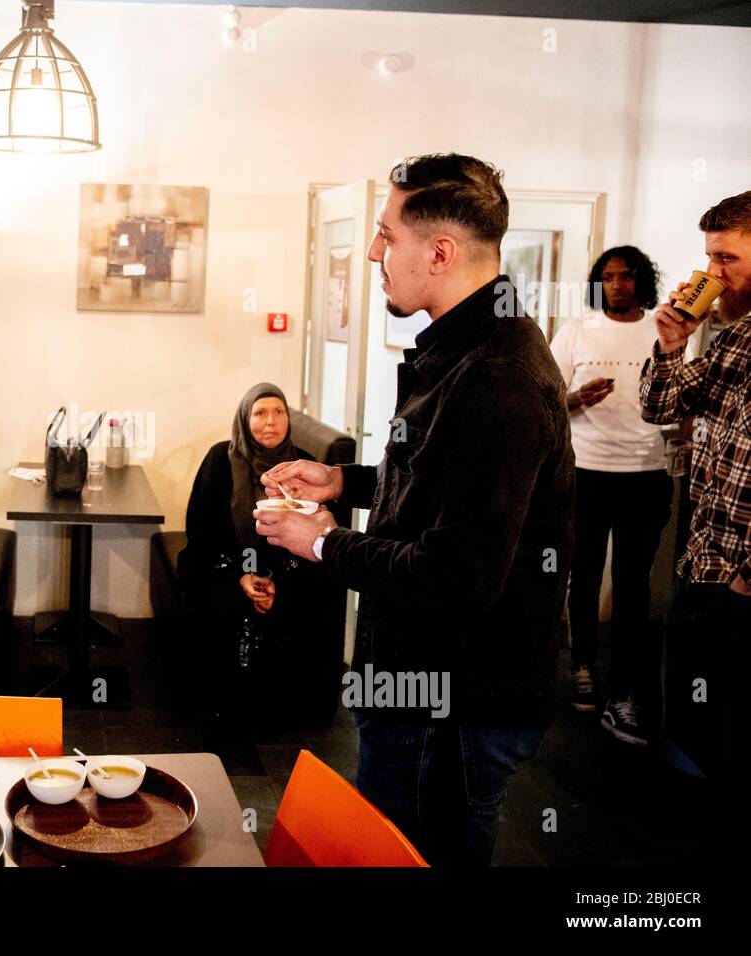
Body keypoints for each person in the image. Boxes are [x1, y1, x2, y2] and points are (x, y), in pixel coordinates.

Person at [255, 154, 574, 866]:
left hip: (460, 695)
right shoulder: (464, 348)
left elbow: (459, 572)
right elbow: (440, 480)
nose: (372, 251)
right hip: (414, 675)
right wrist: (343, 482)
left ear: (439, 252)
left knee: (423, 855)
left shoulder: (498, 377)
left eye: (385, 234)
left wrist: (323, 544)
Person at [639, 190, 751, 784]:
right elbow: (659, 407)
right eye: (710, 258)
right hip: (705, 562)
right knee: (699, 729)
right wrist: (671, 344)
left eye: (727, 258)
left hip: (741, 579)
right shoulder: (736, 337)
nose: (713, 274)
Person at [550, 246, 671, 743]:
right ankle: (582, 666)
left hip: (646, 472)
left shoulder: (665, 330)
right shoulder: (577, 331)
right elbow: (546, 399)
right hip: (586, 472)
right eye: (609, 277)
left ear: (642, 280)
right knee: (582, 575)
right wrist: (577, 398)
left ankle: (626, 687)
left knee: (632, 584)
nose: (618, 284)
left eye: (627, 276)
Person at [176, 384, 328, 743]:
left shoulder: (303, 465)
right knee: (214, 598)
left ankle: (277, 705)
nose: (270, 422)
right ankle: (218, 704)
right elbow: (201, 531)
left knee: (299, 599)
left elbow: (315, 529)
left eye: (279, 412)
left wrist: (273, 581)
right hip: (226, 564)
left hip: (285, 568)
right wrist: (242, 577)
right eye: (260, 413)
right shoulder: (221, 460)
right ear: (245, 420)